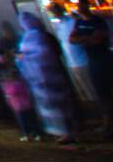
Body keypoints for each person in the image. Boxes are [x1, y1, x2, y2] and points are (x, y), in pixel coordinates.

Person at [69, 0, 113, 137]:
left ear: (87, 5)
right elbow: (72, 39)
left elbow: (97, 40)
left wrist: (83, 39)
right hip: (93, 61)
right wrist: (87, 38)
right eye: (77, 5)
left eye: (80, 5)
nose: (78, 8)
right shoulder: (78, 22)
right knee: (102, 94)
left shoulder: (98, 21)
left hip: (106, 59)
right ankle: (112, 124)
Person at [16, 10, 77, 146]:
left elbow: (43, 53)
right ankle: (61, 132)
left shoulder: (37, 36)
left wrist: (24, 58)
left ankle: (67, 133)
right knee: (55, 106)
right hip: (43, 79)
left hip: (48, 78)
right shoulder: (37, 35)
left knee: (59, 106)